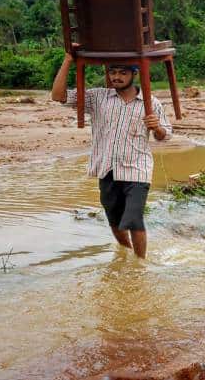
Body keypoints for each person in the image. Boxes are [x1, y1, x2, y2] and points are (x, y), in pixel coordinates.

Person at [51, 52, 172, 258]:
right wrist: (68, 60)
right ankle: (127, 254)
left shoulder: (150, 103)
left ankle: (140, 266)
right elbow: (58, 96)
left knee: (133, 220)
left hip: (137, 170)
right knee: (115, 221)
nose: (116, 77)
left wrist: (156, 127)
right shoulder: (98, 98)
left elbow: (164, 136)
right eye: (112, 72)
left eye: (122, 73)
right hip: (107, 168)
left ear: (134, 74)